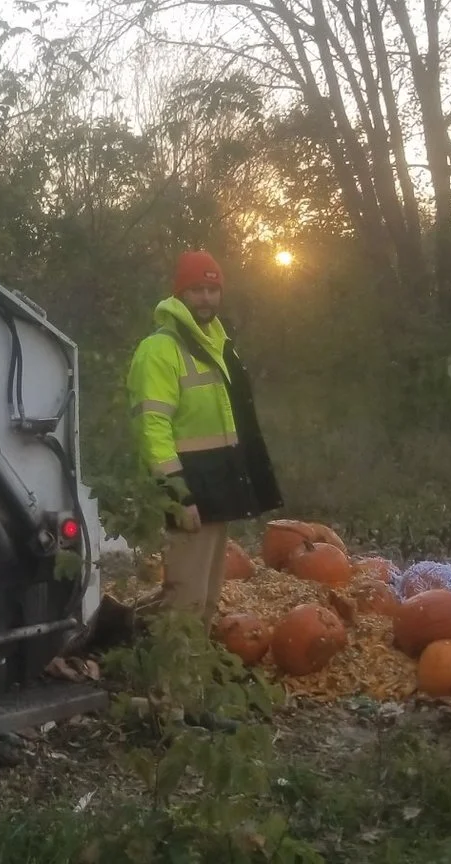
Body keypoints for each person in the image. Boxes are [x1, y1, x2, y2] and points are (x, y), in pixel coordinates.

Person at [126, 249, 283, 623]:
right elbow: (153, 429)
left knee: (208, 599)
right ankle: (170, 677)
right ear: (180, 294)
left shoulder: (216, 343)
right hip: (189, 494)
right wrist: (177, 494)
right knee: (185, 603)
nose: (206, 299)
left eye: (212, 290)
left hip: (219, 487)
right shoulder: (160, 349)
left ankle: (195, 674)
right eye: (197, 290)